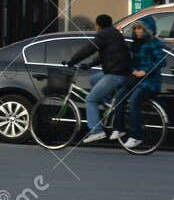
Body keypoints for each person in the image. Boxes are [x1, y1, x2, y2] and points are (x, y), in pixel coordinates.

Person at [65, 13, 131, 145]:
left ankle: (96, 131)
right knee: (94, 79)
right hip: (121, 72)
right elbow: (104, 54)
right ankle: (109, 105)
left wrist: (72, 61)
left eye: (96, 25)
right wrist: (90, 64)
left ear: (98, 26)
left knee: (91, 99)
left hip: (115, 74)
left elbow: (88, 49)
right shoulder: (114, 33)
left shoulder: (103, 34)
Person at [122, 18, 168, 149]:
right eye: (135, 28)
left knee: (133, 101)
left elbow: (162, 60)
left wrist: (145, 71)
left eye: (140, 28)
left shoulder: (153, 42)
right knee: (120, 96)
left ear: (147, 30)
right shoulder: (136, 43)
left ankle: (136, 136)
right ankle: (118, 128)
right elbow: (133, 62)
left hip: (150, 82)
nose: (137, 31)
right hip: (136, 80)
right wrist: (133, 70)